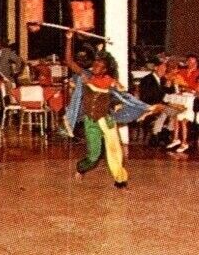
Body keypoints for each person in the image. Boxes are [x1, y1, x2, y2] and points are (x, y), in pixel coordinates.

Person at [63, 31, 150, 188]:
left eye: (98, 66)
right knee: (94, 156)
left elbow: (126, 98)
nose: (94, 66)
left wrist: (137, 105)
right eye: (94, 64)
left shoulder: (112, 83)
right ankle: (81, 168)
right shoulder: (86, 76)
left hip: (107, 120)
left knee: (115, 151)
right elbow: (69, 61)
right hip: (91, 122)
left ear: (104, 70)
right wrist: (69, 39)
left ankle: (120, 181)